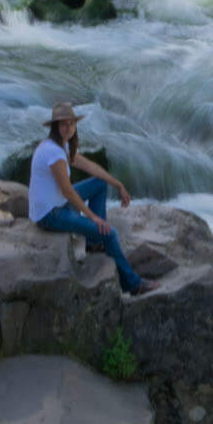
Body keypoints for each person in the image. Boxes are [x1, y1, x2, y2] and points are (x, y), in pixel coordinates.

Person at [28, 103, 154, 295]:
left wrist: (118, 184)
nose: (68, 128)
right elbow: (68, 192)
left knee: (99, 184)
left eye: (71, 124)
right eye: (63, 125)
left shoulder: (62, 146)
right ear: (55, 127)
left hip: (57, 203)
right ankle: (133, 284)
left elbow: (90, 167)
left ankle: (94, 242)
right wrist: (93, 218)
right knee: (110, 233)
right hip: (49, 215)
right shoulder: (52, 152)